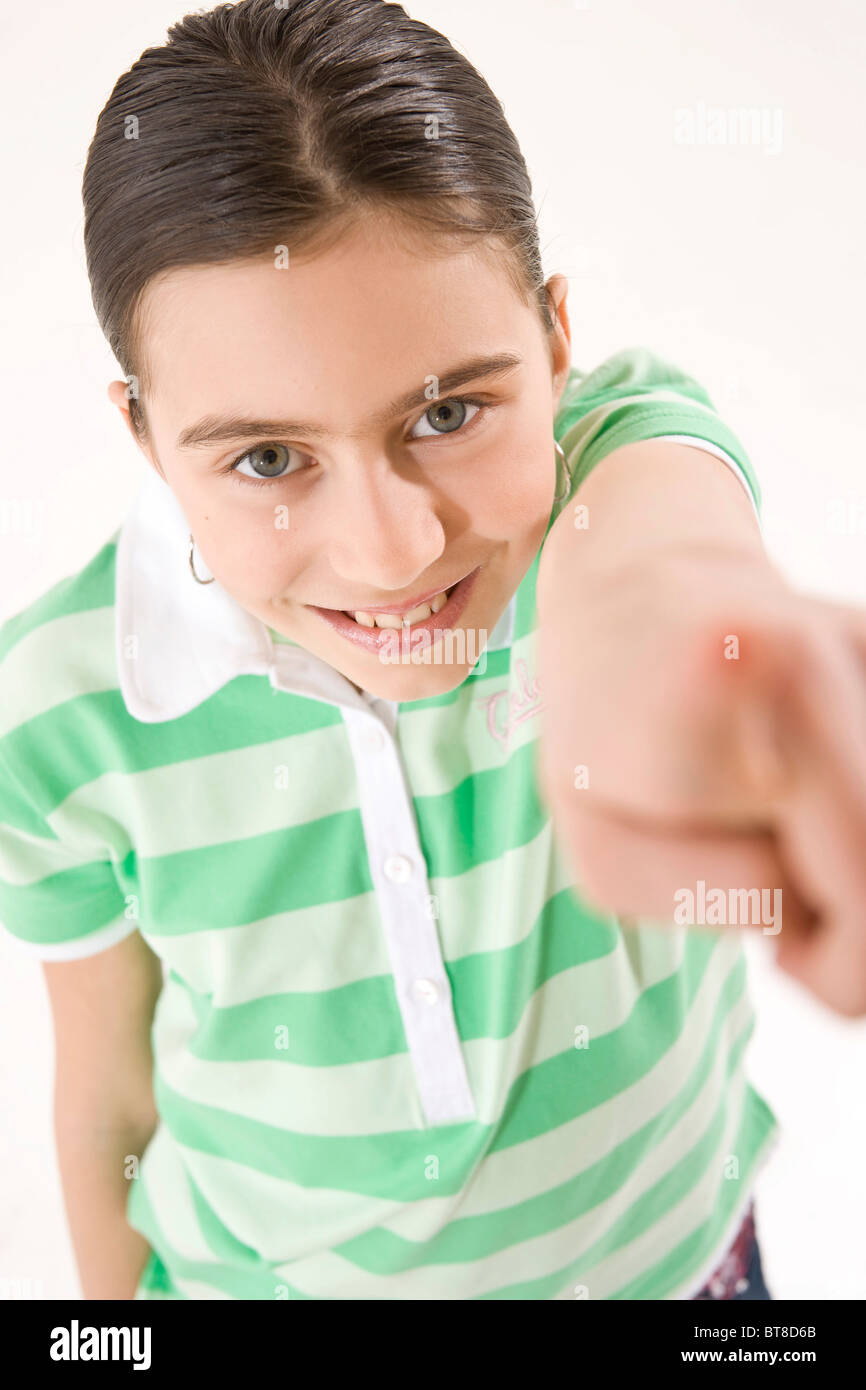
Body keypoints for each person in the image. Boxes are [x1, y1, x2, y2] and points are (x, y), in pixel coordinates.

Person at [1, 0, 864, 1302]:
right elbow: (111, 1098)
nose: (393, 547)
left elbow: (668, 559)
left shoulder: (603, 469)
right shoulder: (56, 714)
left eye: (450, 411)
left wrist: (683, 640)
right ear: (142, 433)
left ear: (556, 340)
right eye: (268, 458)